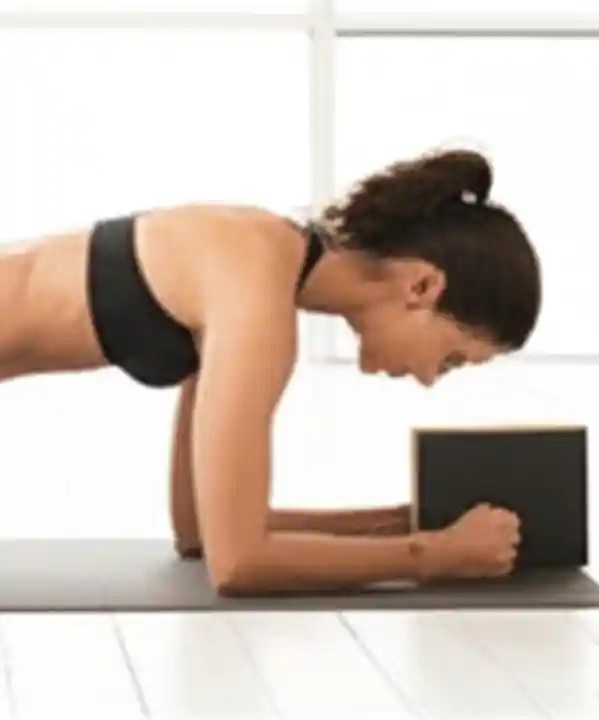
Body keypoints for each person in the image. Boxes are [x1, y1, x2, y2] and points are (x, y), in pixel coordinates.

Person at [0, 148, 535, 595]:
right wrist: (432, 557)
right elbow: (238, 563)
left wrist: (397, 522)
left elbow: (201, 533)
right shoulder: (256, 293)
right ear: (421, 286)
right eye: (451, 358)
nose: (429, 379)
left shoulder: (266, 259)